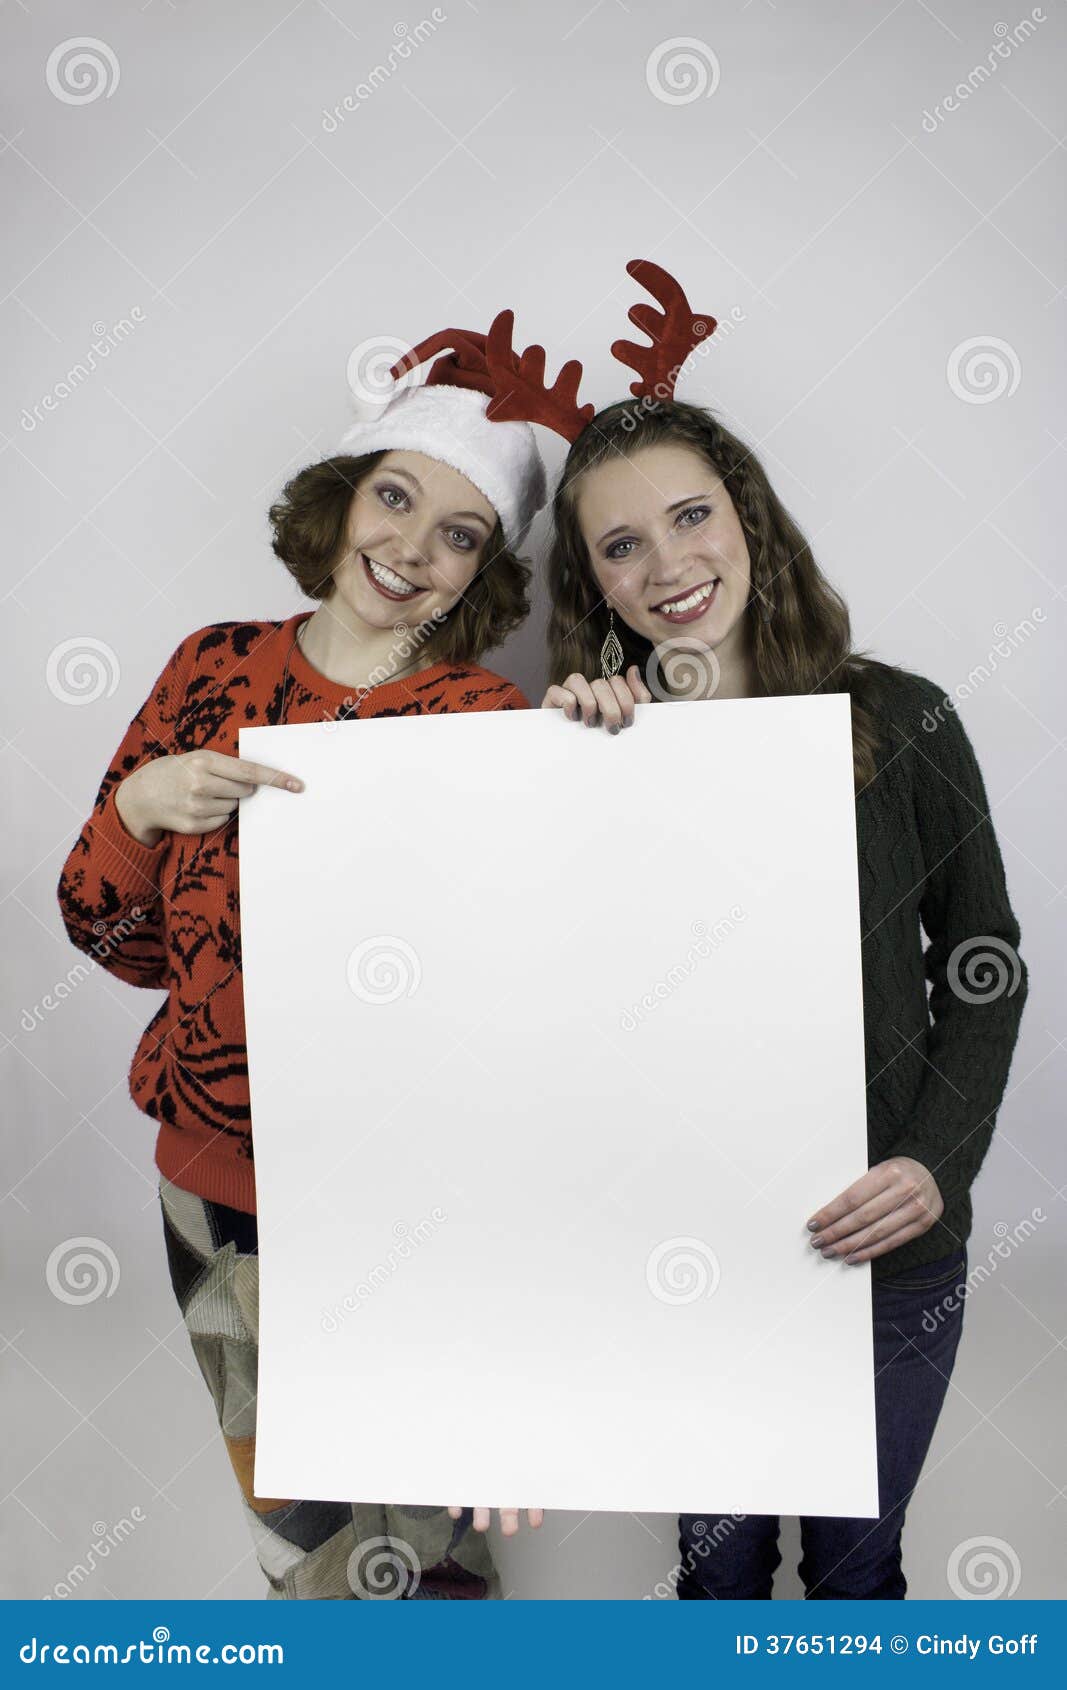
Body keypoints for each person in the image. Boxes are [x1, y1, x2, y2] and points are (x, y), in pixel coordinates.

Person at [56, 307, 581, 1598]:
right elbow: (112, 937)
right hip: (217, 1186)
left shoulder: (482, 715)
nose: (411, 548)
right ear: (343, 500)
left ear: (486, 569)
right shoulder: (211, 667)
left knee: (438, 1542)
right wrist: (137, 811)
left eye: (459, 532)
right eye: (394, 499)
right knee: (305, 1551)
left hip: (412, 1193)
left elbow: (525, 972)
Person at [542, 260, 1029, 1599]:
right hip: (694, 1245)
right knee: (720, 1574)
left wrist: (936, 1161)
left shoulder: (906, 716)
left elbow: (986, 967)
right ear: (591, 580)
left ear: (747, 516)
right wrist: (565, 775)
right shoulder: (588, 751)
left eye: (691, 514)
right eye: (621, 544)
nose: (669, 564)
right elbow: (544, 1000)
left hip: (887, 1238)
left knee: (863, 1566)